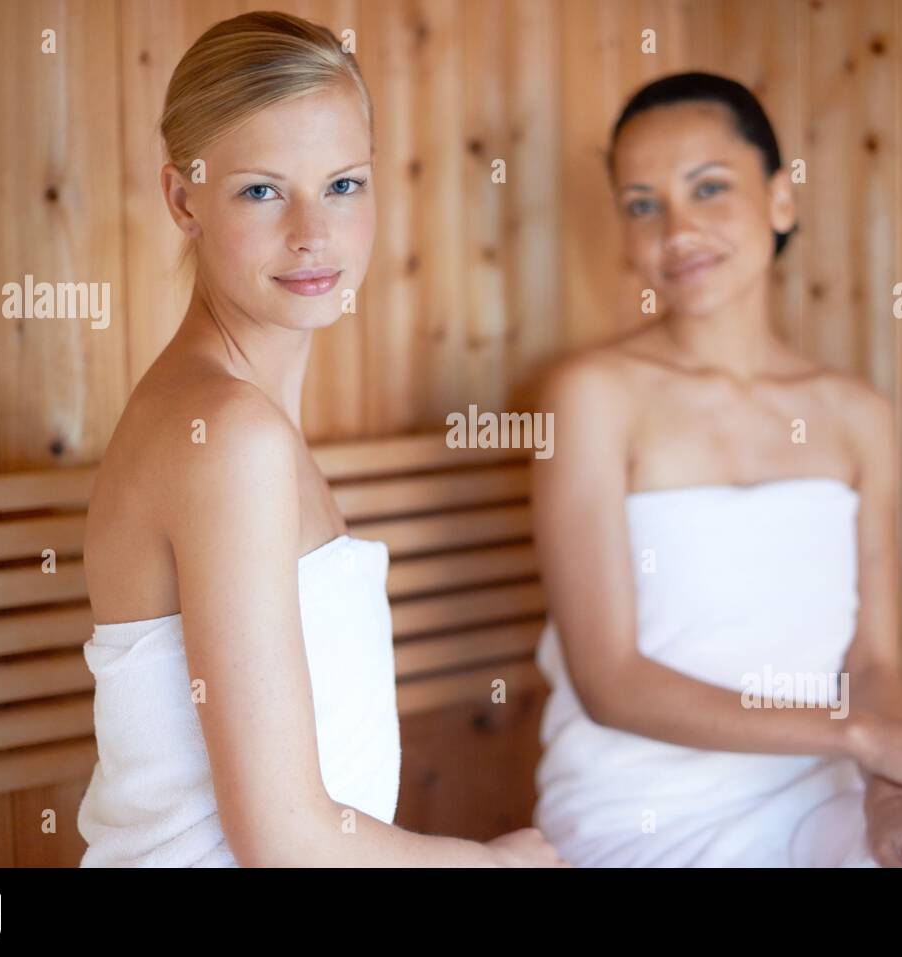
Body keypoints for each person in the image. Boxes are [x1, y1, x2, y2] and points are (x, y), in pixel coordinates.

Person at [77, 10, 563, 868]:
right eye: (262, 189)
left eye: (343, 184)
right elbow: (285, 839)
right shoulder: (227, 437)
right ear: (183, 198)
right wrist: (491, 865)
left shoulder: (238, 419)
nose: (313, 231)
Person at [530, 72, 902, 867]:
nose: (678, 229)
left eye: (709, 188)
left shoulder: (856, 413)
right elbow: (607, 678)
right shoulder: (592, 397)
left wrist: (892, 797)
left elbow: (874, 661)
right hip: (643, 807)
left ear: (780, 200)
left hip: (819, 789)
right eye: (642, 203)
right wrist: (870, 738)